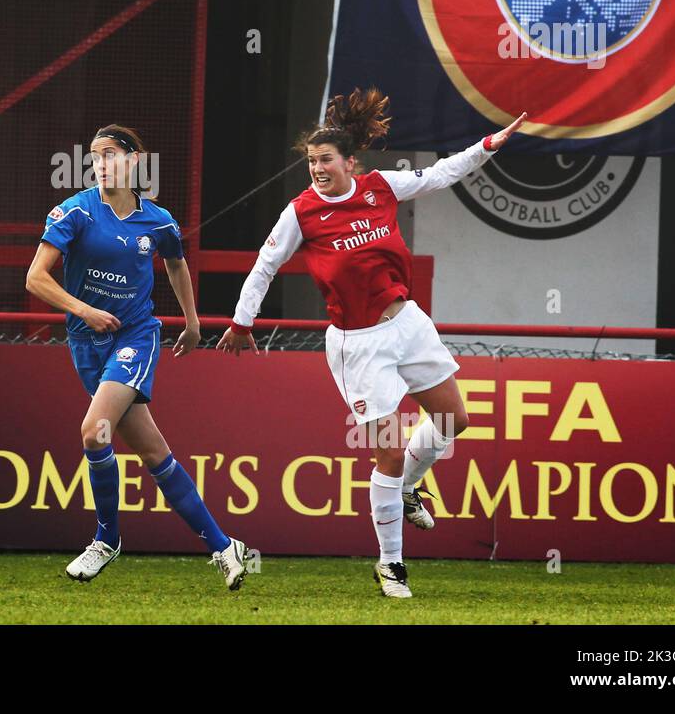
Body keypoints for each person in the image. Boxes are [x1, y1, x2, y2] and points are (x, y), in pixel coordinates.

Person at [217, 89, 525, 598]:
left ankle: (407, 488)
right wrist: (242, 322)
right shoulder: (301, 213)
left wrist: (490, 143)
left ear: (349, 162)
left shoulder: (380, 187)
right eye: (311, 161)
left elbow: (439, 175)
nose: (317, 168)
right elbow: (265, 265)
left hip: (408, 324)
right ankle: (391, 565)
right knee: (387, 453)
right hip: (358, 344)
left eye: (325, 160)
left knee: (453, 420)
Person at [27, 125, 251, 590]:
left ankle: (106, 540)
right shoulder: (75, 212)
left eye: (110, 154)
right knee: (154, 452)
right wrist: (84, 310)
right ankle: (225, 547)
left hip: (136, 335)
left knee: (94, 432)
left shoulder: (158, 221)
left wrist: (191, 321)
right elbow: (35, 278)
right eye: (94, 156)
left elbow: (175, 262)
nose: (100, 163)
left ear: (134, 161)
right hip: (87, 341)